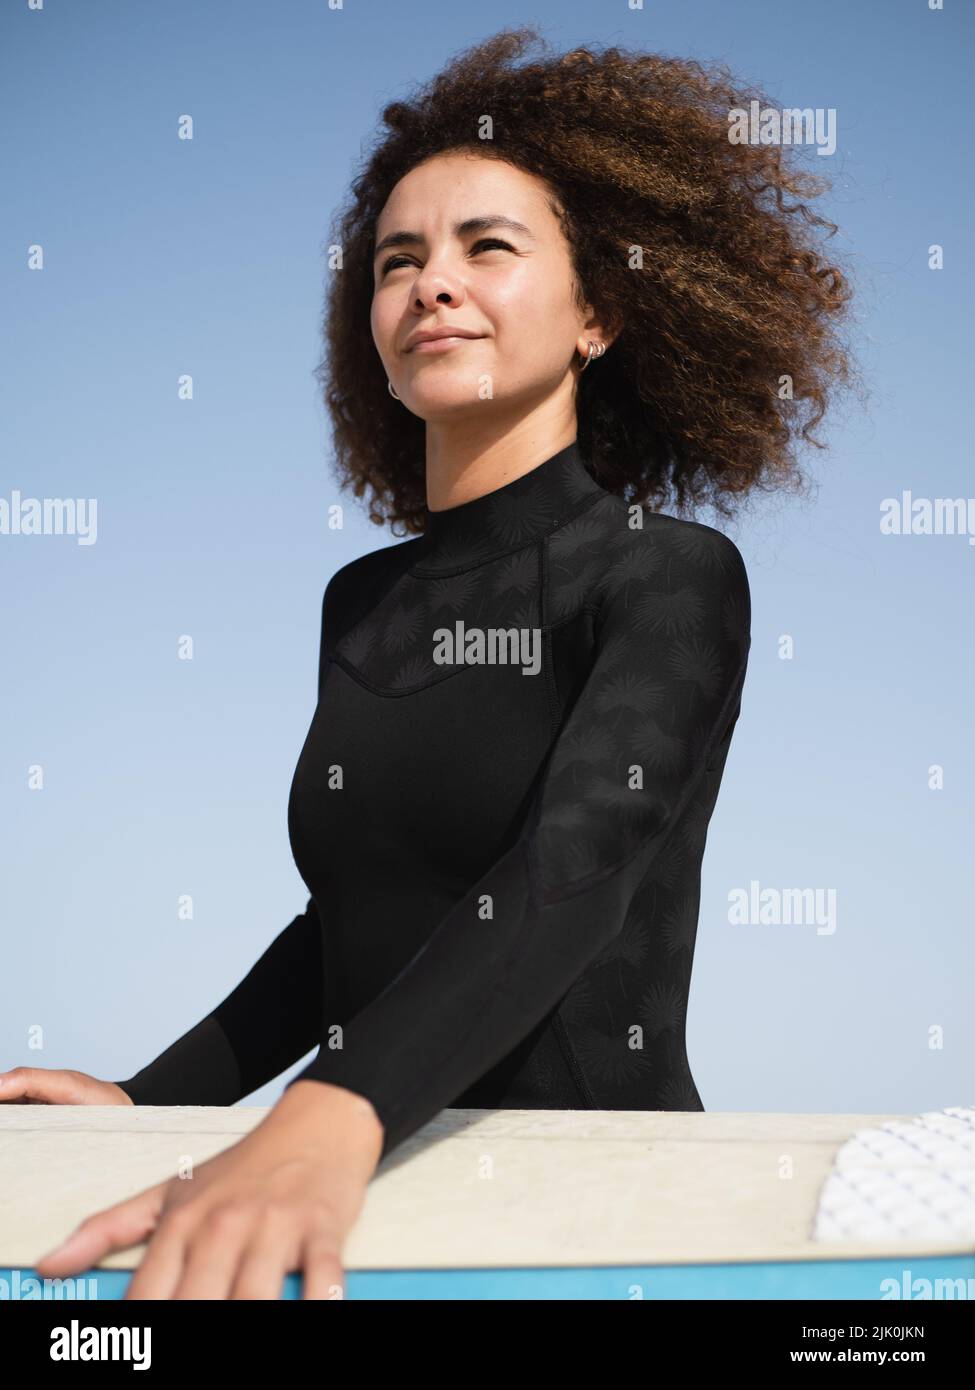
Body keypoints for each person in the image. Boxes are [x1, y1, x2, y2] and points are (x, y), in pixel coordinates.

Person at [1, 29, 853, 1298]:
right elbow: (351, 925)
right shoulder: (361, 603)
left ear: (598, 315)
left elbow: (576, 869)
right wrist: (147, 1096)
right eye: (399, 260)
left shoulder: (668, 573)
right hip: (389, 1200)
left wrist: (326, 1115)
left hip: (618, 1228)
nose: (431, 285)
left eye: (487, 248)